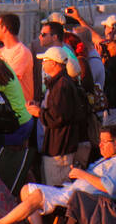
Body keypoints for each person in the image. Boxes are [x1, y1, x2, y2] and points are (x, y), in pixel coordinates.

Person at [0, 125, 116, 224]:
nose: (100, 145)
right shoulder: (110, 158)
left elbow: (109, 187)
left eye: (104, 142)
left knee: (37, 196)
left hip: (86, 201)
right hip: (71, 192)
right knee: (26, 189)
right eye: (100, 141)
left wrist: (82, 174)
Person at [30, 46, 84, 188]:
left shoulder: (61, 86)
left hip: (59, 148)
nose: (42, 63)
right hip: (58, 146)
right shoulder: (60, 83)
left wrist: (38, 112)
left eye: (45, 60)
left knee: (56, 188)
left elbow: (56, 118)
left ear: (54, 63)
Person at [0, 12, 35, 102]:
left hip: (20, 108)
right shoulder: (0, 52)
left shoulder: (22, 52)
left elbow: (9, 79)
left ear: (4, 29)